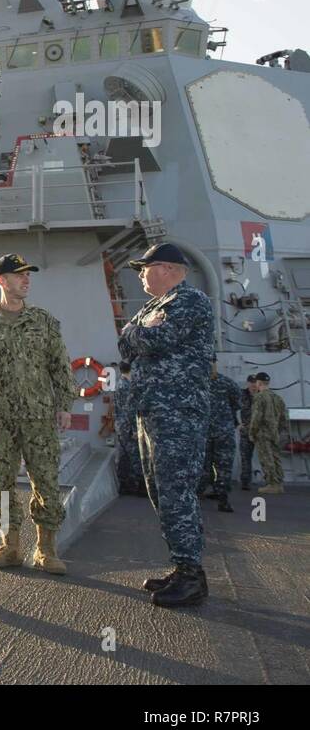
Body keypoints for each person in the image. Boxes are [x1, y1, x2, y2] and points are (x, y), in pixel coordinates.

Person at [0, 253, 76, 575]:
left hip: (39, 417)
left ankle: (46, 549)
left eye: (28, 276)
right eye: (19, 275)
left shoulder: (44, 321)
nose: (26, 280)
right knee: (2, 483)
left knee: (47, 481)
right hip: (0, 419)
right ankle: (10, 547)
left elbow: (60, 365)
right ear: (2, 281)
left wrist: (65, 404)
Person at [118, 243, 214, 608]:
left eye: (144, 268)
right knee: (160, 491)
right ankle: (181, 565)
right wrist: (138, 331)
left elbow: (155, 340)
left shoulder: (189, 300)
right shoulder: (151, 308)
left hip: (178, 413)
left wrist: (137, 332)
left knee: (176, 491)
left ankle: (192, 576)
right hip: (153, 411)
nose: (141, 274)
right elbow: (127, 345)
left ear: (166, 268)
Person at [201, 369, 241, 512]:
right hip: (223, 429)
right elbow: (237, 402)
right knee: (222, 466)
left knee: (204, 465)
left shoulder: (197, 381)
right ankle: (221, 498)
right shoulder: (227, 383)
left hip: (205, 430)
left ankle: (204, 496)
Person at [250, 372, 289, 495]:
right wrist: (280, 431)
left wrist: (252, 432)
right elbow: (284, 418)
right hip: (274, 433)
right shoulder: (277, 398)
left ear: (259, 383)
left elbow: (257, 417)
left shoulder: (259, 397)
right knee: (275, 457)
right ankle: (279, 482)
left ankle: (272, 484)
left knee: (266, 459)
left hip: (263, 434)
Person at [114, 361, 146, 497]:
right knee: (135, 456)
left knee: (124, 456)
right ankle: (138, 486)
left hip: (121, 425)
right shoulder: (127, 386)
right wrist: (134, 429)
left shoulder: (119, 383)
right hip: (128, 426)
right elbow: (130, 409)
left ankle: (124, 485)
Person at [238, 375, 258, 490]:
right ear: (248, 383)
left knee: (266, 457)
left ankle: (271, 482)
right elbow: (231, 406)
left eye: (255, 382)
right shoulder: (241, 394)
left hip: (261, 431)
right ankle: (245, 482)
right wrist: (237, 423)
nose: (253, 384)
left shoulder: (262, 395)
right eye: (251, 382)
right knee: (245, 457)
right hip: (246, 431)